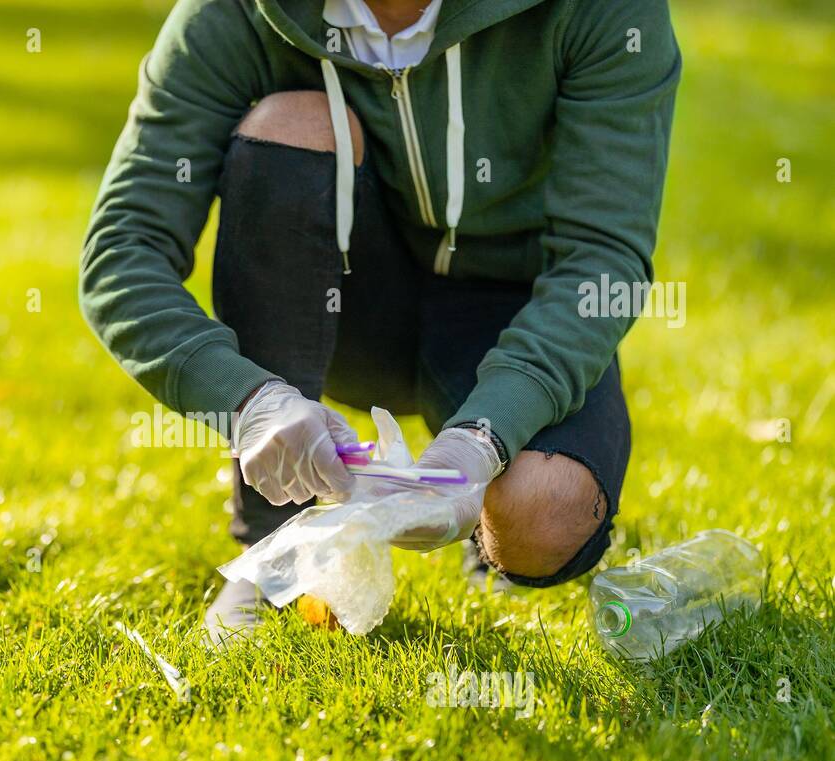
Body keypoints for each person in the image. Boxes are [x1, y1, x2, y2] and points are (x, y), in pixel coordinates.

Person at [79, 0, 680, 645]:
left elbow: (603, 263)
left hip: (512, 308)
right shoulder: (232, 13)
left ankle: (481, 513)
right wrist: (250, 401)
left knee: (543, 515)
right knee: (292, 122)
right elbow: (122, 249)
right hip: (344, 303)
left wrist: (483, 439)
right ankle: (270, 546)